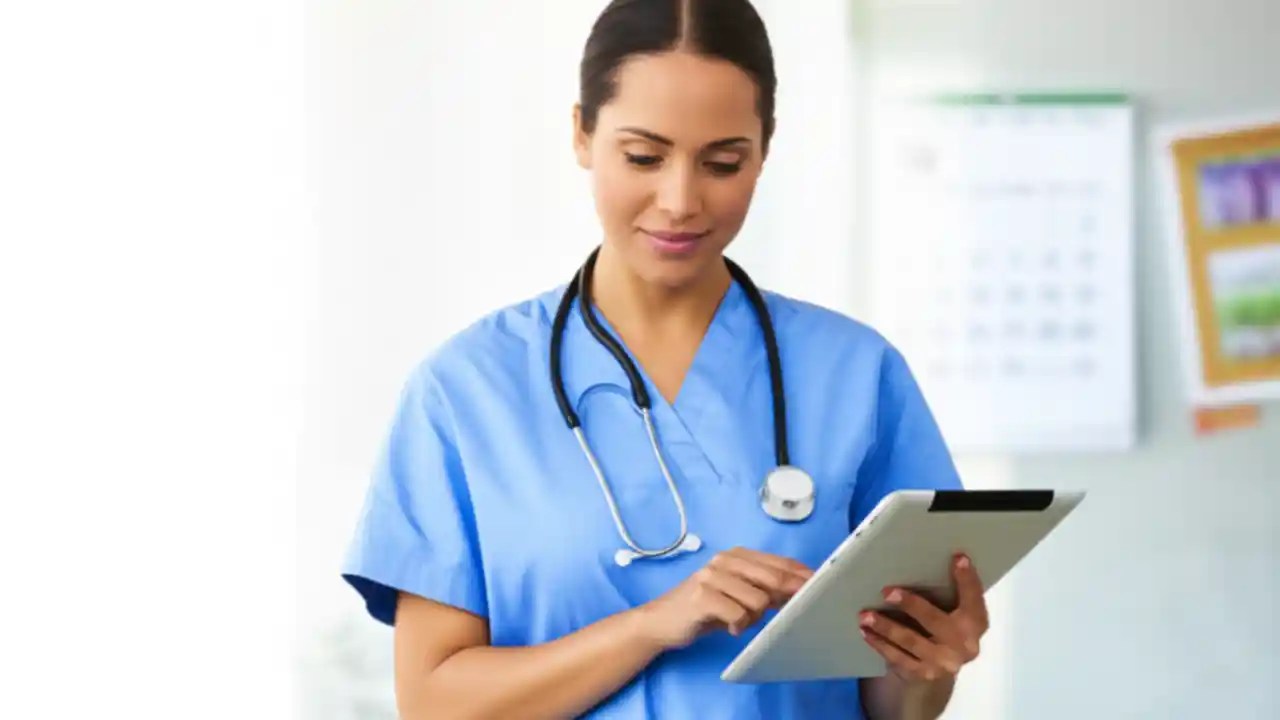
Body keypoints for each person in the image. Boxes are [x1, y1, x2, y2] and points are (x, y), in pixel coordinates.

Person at [341, 0, 989, 717]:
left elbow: (892, 703)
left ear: (765, 150)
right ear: (582, 135)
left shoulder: (857, 375)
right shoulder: (465, 392)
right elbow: (434, 704)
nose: (681, 200)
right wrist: (652, 626)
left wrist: (929, 667)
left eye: (723, 162)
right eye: (644, 157)